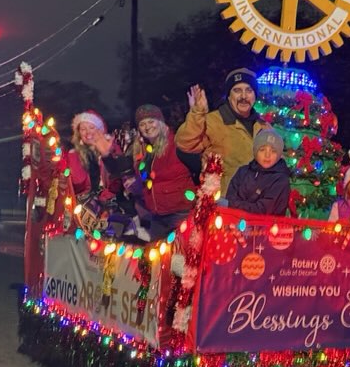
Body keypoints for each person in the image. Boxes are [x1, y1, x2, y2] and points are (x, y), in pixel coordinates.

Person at [105, 104, 196, 239]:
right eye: (142, 124)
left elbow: (197, 160)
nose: (147, 127)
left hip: (180, 214)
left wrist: (196, 113)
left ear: (160, 121)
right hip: (157, 216)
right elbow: (122, 170)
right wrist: (106, 154)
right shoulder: (146, 150)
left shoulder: (177, 142)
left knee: (181, 256)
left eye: (151, 121)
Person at [175, 68, 270, 196]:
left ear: (255, 95)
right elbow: (185, 144)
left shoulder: (264, 126)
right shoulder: (213, 121)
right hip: (224, 204)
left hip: (258, 203)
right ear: (229, 96)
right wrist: (197, 113)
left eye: (249, 90)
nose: (243, 96)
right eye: (237, 90)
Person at [225, 129, 291, 215]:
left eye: (273, 151)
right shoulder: (243, 172)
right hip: (235, 222)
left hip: (266, 226)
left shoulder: (281, 180)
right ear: (256, 151)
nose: (267, 155)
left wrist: (233, 205)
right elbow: (230, 198)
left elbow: (262, 210)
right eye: (262, 149)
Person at [67, 110, 123, 201]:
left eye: (91, 127)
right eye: (83, 129)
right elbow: (73, 186)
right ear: (79, 134)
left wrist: (106, 155)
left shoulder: (112, 148)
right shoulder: (73, 155)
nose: (88, 132)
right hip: (83, 205)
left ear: (100, 130)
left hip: (111, 203)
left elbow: (119, 178)